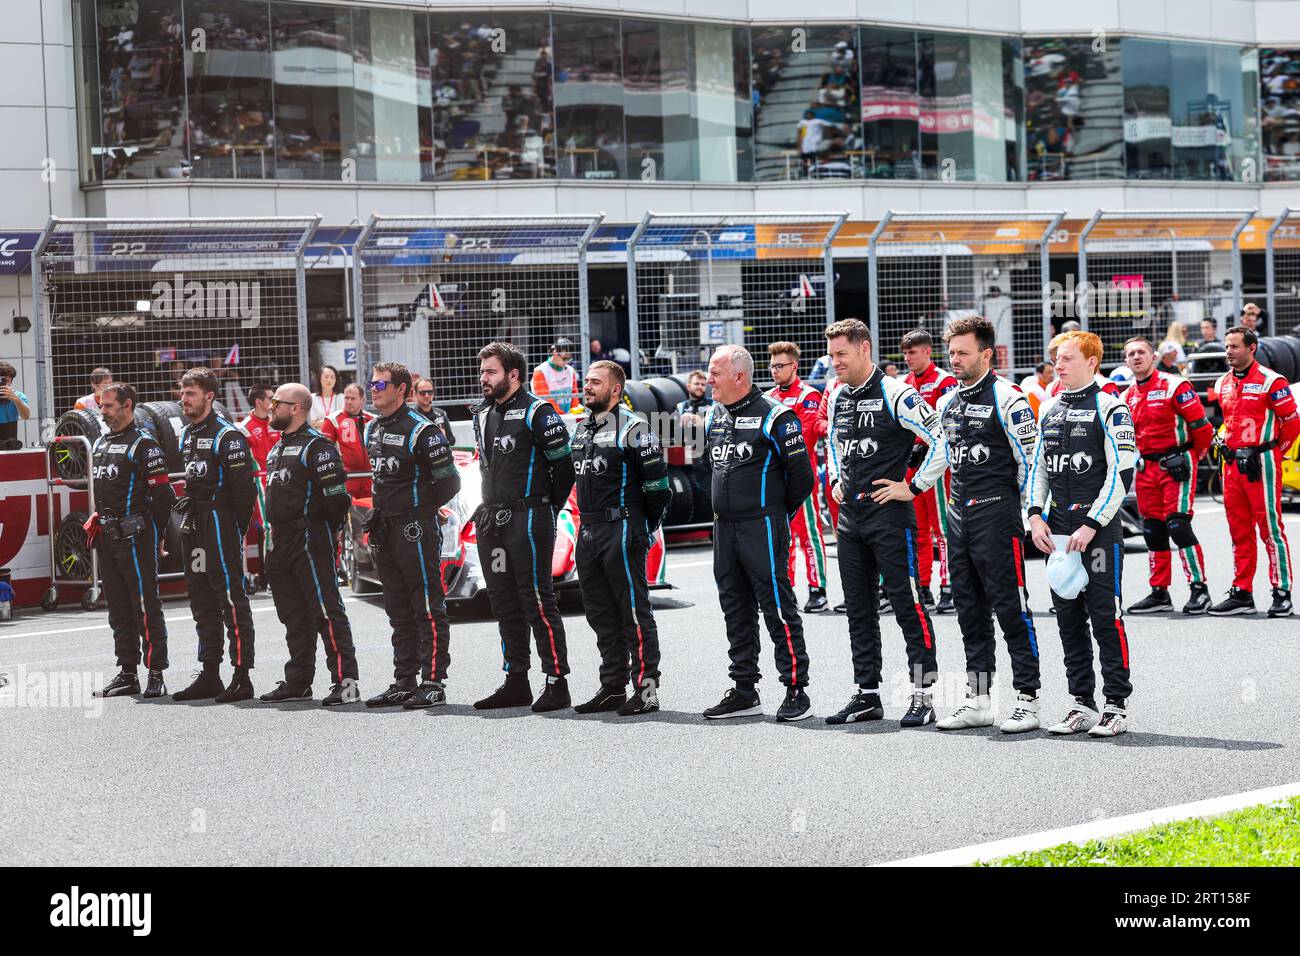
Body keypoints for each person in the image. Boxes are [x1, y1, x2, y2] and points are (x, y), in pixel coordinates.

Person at [823, 320, 948, 727]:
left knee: (908, 605)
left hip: (890, 516)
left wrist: (913, 486)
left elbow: (942, 439)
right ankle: (867, 694)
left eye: (842, 353)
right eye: (832, 354)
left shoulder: (898, 393)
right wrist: (836, 478)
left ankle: (923, 695)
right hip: (850, 518)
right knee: (858, 609)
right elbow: (832, 443)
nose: (835, 361)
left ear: (865, 348)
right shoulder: (837, 395)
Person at [934, 317, 1042, 733]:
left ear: (986, 354)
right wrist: (913, 485)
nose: (954, 359)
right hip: (958, 516)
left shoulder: (1009, 398)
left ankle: (1028, 701)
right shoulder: (948, 401)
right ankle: (979, 701)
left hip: (997, 515)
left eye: (962, 352)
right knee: (969, 611)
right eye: (951, 352)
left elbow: (1032, 461)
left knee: (1012, 609)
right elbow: (942, 454)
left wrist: (1032, 513)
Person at [1028, 331, 1138, 737]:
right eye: (1056, 358)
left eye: (1068, 358)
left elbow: (1122, 472)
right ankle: (1081, 703)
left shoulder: (1111, 407)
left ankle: (1116, 705)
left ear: (1092, 362)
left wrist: (1092, 523)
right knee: (1068, 618)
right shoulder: (1049, 408)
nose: (1058, 364)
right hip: (1057, 532)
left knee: (1106, 616)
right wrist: (1034, 516)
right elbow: (1038, 468)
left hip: (1097, 531)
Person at [700, 345, 815, 722]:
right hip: (724, 526)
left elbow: (802, 479)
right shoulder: (714, 416)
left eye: (715, 373)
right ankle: (744, 690)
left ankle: (796, 688)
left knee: (777, 607)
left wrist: (775, 515)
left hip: (762, 525)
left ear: (739, 376)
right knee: (734, 607)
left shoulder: (777, 416)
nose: (709, 380)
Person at [471, 341, 576, 712]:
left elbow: (564, 470)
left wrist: (545, 508)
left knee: (536, 599)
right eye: (482, 371)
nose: (483, 378)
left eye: (491, 371)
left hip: (529, 519)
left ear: (513, 374)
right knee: (502, 601)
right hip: (492, 521)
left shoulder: (539, 411)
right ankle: (516, 680)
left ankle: (556, 681)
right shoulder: (482, 413)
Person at [570, 360, 672, 716]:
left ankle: (646, 690)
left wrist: (642, 527)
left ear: (615, 389)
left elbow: (658, 488)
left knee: (633, 612)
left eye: (595, 382)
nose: (587, 386)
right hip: (588, 531)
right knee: (599, 613)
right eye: (586, 381)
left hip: (623, 528)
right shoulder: (580, 429)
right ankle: (612, 687)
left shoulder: (634, 427)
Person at [361, 362, 462, 708]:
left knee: (426, 605)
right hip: (383, 527)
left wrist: (420, 509)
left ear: (401, 390)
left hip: (415, 528)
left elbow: (450, 482)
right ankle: (404, 680)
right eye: (372, 384)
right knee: (397, 608)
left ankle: (433, 682)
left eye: (380, 385)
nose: (373, 390)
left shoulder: (423, 430)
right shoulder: (371, 428)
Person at [259, 383, 360, 706]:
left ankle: (346, 684)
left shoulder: (318, 446)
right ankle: (299, 681)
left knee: (327, 611)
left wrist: (323, 532)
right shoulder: (278, 446)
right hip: (279, 540)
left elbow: (337, 499)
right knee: (292, 615)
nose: (271, 407)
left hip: (309, 539)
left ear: (297, 408)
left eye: (277, 402)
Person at [171, 367, 260, 703]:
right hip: (194, 523)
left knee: (229, 597)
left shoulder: (228, 435)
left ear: (209, 396)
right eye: (182, 392)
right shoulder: (187, 433)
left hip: (218, 522)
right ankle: (210, 673)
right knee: (200, 595)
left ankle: (242, 676)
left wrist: (233, 529)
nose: (183, 399)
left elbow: (245, 491)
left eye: (190, 393)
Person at [89, 383, 175, 699]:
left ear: (127, 406)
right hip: (107, 537)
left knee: (145, 606)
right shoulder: (101, 442)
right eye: (101, 405)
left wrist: (159, 535)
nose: (103, 411)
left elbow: (163, 496)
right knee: (118, 609)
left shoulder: (144, 445)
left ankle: (156, 673)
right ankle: (128, 672)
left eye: (109, 406)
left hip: (136, 536)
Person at [1208, 326, 1300, 617]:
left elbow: (1292, 422)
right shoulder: (1223, 382)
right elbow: (1229, 422)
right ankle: (1242, 593)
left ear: (1252, 348)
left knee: (1270, 529)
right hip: (1232, 465)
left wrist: (1273, 453)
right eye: (1226, 346)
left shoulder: (1272, 381)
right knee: (1239, 531)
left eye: (1234, 346)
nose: (1228, 352)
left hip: (1262, 462)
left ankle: (1281, 592)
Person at [1122, 336, 1214, 615]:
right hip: (1146, 469)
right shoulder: (1126, 396)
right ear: (1126, 361)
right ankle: (1159, 592)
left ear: (1153, 357)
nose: (1136, 357)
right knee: (1153, 530)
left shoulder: (1175, 385)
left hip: (1176, 465)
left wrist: (1191, 458)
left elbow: (1203, 429)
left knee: (1178, 525)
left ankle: (1199, 589)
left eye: (1141, 352)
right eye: (1131, 354)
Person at [766, 341, 829, 613]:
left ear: (794, 365)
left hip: (801, 477)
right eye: (772, 366)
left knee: (809, 534)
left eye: (780, 366)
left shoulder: (808, 395)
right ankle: (785, 588)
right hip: (774, 479)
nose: (774, 371)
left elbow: (803, 437)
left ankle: (818, 589)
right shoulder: (768, 397)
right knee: (782, 537)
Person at [901, 329, 960, 613]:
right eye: (905, 353)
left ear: (927, 351)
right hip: (911, 466)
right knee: (918, 530)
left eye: (912, 352)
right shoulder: (905, 383)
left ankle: (948, 586)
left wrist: (923, 446)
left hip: (936, 465)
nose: (907, 358)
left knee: (942, 529)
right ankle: (922, 586)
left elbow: (948, 422)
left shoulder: (944, 381)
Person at [319, 382, 374, 498]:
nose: (349, 402)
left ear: (362, 400)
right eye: (346, 398)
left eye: (353, 398)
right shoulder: (332, 420)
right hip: (345, 480)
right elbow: (322, 454)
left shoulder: (373, 420)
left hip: (370, 479)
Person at [531, 339, 579, 413]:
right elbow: (545, 399)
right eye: (564, 358)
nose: (566, 362)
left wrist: (573, 413)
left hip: (569, 416)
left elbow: (575, 396)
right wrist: (561, 415)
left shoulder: (570, 370)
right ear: (555, 353)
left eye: (569, 359)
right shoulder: (540, 371)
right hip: (548, 416)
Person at [413, 377, 456, 446]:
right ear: (415, 394)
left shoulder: (440, 414)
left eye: (430, 392)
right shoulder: (411, 416)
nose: (427, 395)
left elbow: (452, 440)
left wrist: (443, 438)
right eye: (422, 393)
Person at [0, 361, 31, 447]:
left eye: (6, 381)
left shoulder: (18, 396)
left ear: (11, 381)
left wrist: (16, 400)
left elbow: (26, 416)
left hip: (10, 444)